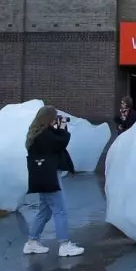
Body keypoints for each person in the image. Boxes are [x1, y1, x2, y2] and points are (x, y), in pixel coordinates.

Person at [23, 106, 84, 257]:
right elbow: (60, 142)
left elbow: (54, 141)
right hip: (49, 178)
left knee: (44, 211)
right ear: (48, 119)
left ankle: (32, 242)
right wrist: (63, 128)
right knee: (60, 210)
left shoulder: (38, 134)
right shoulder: (44, 136)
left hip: (42, 178)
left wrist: (59, 128)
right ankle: (64, 245)